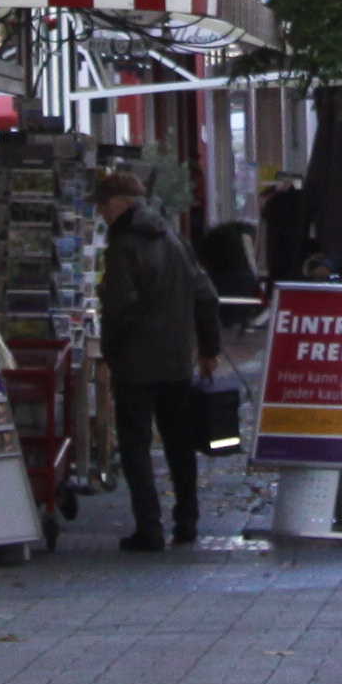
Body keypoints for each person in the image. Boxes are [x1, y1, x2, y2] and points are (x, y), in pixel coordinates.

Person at [94, 166, 224, 550]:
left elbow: (119, 307)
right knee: (179, 443)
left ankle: (149, 527)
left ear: (119, 204)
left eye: (103, 206)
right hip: (175, 361)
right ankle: (187, 522)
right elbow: (206, 296)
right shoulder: (175, 239)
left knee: (135, 446)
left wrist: (111, 352)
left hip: (136, 364)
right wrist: (209, 348)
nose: (101, 213)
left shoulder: (124, 246)